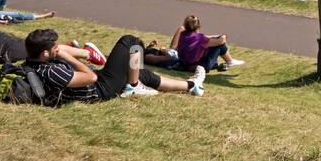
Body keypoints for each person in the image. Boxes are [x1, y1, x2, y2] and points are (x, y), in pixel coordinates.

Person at [24, 28, 204, 102]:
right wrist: (66, 56)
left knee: (141, 73)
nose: (59, 48)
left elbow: (55, 49)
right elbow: (91, 77)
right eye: (55, 47)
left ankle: (191, 85)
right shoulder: (51, 71)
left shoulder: (36, 61)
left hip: (100, 83)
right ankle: (133, 86)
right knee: (131, 42)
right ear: (44, 53)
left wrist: (82, 53)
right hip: (100, 88)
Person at [172, 15, 244, 77]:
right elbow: (221, 41)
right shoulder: (200, 38)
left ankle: (229, 61)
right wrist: (223, 36)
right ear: (198, 27)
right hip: (200, 67)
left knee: (211, 43)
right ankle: (230, 61)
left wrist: (215, 36)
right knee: (219, 45)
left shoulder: (183, 34)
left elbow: (203, 38)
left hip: (184, 64)